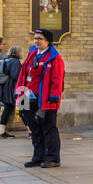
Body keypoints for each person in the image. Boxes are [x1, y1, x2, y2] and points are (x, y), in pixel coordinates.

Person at [15, 28, 65, 168]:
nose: (36, 41)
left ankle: (53, 158)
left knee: (49, 129)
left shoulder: (55, 58)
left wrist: (52, 99)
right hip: (28, 98)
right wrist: (19, 94)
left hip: (45, 100)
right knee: (34, 129)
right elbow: (22, 76)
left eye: (39, 38)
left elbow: (57, 80)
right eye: (35, 38)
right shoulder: (31, 55)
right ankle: (38, 156)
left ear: (47, 41)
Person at [0, 46, 22, 138]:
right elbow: (16, 76)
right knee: (23, 109)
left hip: (5, 87)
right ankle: (31, 131)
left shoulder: (7, 60)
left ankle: (1, 131)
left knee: (7, 109)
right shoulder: (15, 62)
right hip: (12, 88)